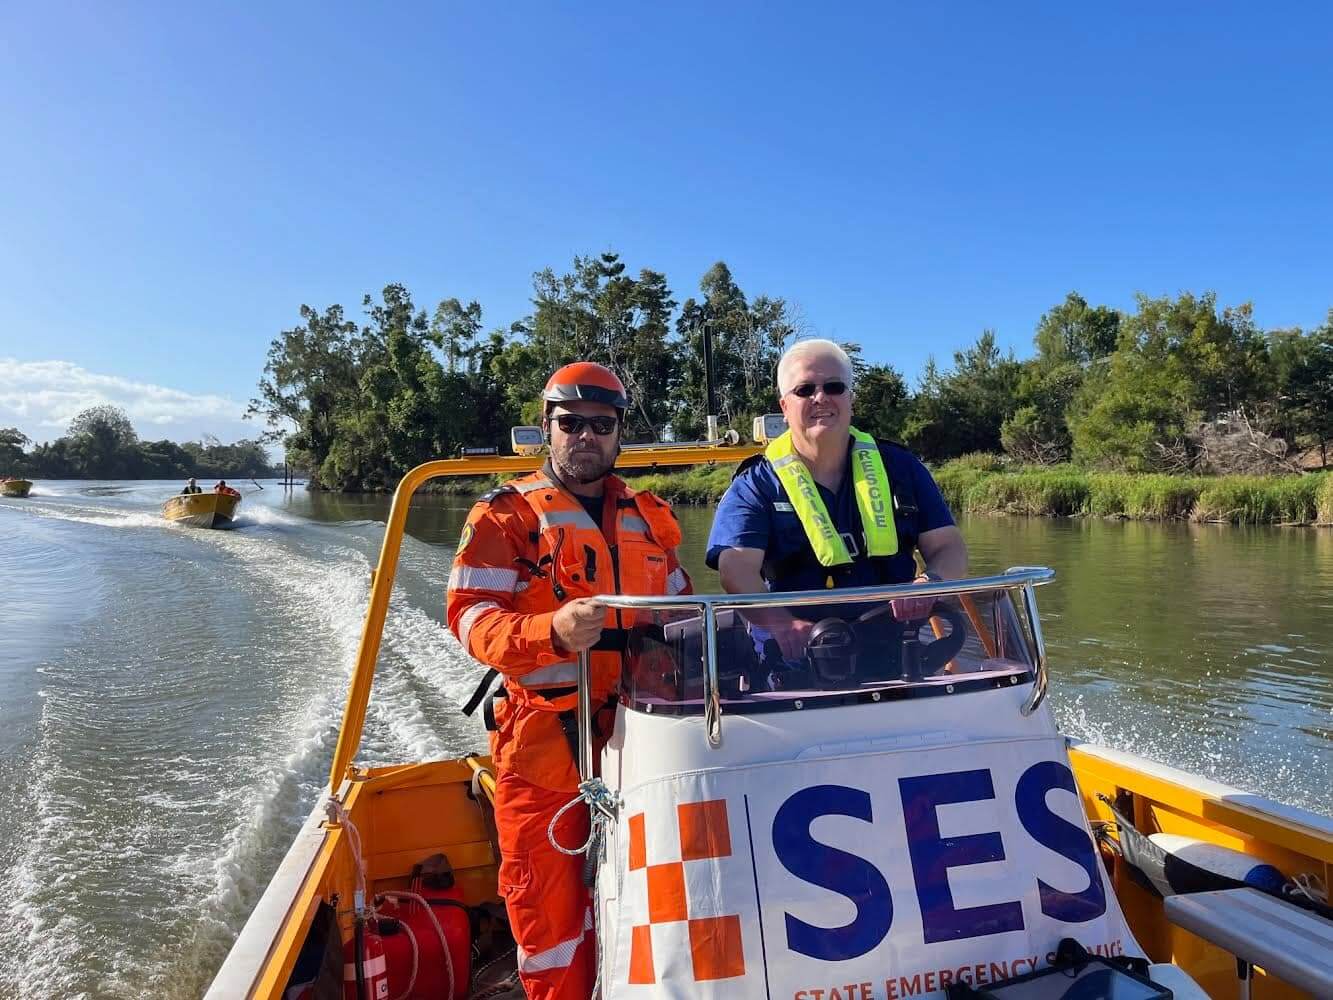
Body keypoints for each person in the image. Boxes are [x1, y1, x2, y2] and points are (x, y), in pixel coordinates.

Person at [446, 362, 691, 1000]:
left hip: (642, 739)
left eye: (600, 425)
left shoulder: (651, 518)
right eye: (570, 423)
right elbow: (469, 617)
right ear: (547, 427)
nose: (585, 436)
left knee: (654, 892)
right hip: (542, 745)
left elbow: (684, 611)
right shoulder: (505, 517)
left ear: (618, 434)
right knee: (547, 916)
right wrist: (547, 631)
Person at [707, 338, 967, 661]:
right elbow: (736, 569)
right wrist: (783, 625)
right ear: (784, 408)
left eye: (834, 387)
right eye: (804, 390)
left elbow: (949, 547)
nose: (820, 397)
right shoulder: (755, 484)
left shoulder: (902, 468)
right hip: (792, 668)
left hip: (897, 658)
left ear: (851, 400)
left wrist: (930, 582)